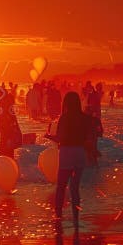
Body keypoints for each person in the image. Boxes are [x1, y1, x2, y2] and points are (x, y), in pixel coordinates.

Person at [46, 92, 92, 223]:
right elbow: (88, 138)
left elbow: (60, 138)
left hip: (67, 152)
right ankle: (76, 217)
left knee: (61, 187)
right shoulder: (84, 118)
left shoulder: (65, 118)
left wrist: (48, 136)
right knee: (75, 188)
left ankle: (58, 216)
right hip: (80, 153)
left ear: (66, 103)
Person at [0, 88, 22, 157]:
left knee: (4, 157)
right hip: (9, 136)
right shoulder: (9, 108)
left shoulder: (3, 109)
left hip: (6, 137)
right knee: (9, 157)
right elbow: (15, 122)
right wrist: (19, 133)